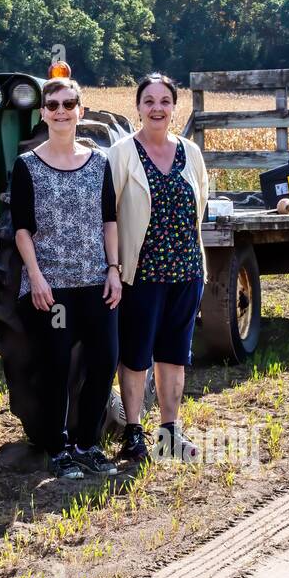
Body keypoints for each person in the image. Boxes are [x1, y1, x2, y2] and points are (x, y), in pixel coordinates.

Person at [9, 78, 122, 479]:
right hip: (51, 287)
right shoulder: (27, 166)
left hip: (96, 281)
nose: (60, 111)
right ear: (43, 113)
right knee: (55, 365)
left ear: (81, 111)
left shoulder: (99, 163)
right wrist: (35, 278)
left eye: (68, 104)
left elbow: (109, 220)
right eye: (53, 105)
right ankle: (57, 448)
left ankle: (88, 445)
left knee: (104, 360)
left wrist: (114, 269)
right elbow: (21, 228)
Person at [108, 73, 209, 465]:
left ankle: (170, 431)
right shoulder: (122, 154)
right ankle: (134, 433)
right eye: (148, 101)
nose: (156, 108)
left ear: (174, 107)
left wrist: (197, 264)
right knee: (136, 355)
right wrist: (114, 266)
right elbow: (110, 216)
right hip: (141, 274)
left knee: (174, 354)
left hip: (186, 271)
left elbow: (199, 203)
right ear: (137, 107)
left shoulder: (191, 153)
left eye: (164, 101)